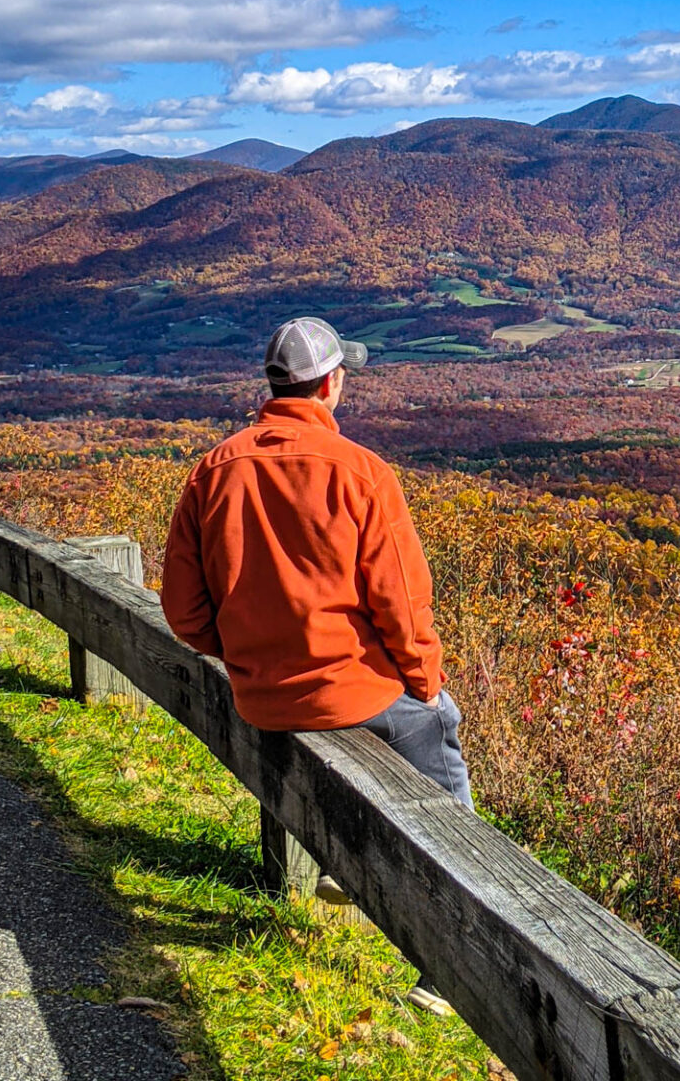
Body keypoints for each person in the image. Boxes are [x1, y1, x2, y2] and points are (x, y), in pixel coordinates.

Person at [161, 315, 470, 1015]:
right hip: (354, 693)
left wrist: (249, 655)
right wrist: (423, 684)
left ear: (274, 385)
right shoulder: (363, 473)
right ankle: (450, 969)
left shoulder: (213, 472)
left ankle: (344, 865)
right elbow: (404, 608)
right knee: (441, 743)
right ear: (333, 384)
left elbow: (183, 612)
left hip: (262, 697)